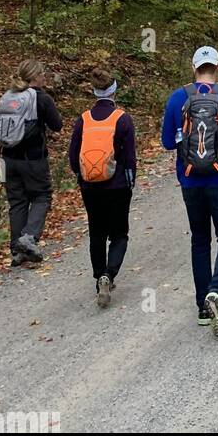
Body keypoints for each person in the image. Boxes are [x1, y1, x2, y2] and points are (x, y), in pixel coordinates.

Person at [161, 46, 218, 336]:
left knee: (200, 241)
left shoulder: (178, 97)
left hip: (191, 183)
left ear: (194, 67)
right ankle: (217, 290)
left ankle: (203, 307)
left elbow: (166, 142)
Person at [68, 69, 137, 308]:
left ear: (95, 91)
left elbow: (72, 154)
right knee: (119, 234)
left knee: (97, 232)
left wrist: (81, 177)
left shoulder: (83, 119)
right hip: (117, 185)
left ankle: (99, 277)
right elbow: (129, 157)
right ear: (114, 90)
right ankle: (109, 274)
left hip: (90, 186)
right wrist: (130, 181)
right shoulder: (122, 118)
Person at [0, 59, 63, 266]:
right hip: (33, 159)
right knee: (42, 196)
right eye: (42, 73)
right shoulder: (41, 98)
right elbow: (57, 125)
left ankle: (17, 251)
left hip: (7, 158)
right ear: (34, 77)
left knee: (17, 202)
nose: (44, 77)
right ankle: (29, 237)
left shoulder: (7, 97)